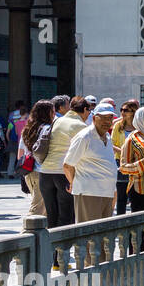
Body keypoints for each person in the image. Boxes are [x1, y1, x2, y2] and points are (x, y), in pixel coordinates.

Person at [63, 103, 121, 224]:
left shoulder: (108, 136)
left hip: (107, 192)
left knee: (103, 236)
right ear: (94, 118)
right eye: (103, 118)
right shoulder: (84, 137)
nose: (107, 121)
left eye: (110, 118)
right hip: (89, 192)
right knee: (89, 236)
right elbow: (68, 165)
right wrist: (74, 183)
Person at [38, 96, 89, 227]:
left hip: (45, 172)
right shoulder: (81, 126)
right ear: (84, 109)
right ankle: (63, 247)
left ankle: (50, 246)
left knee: (51, 215)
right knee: (66, 215)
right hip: (64, 174)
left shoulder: (58, 121)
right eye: (88, 111)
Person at [18, 100, 55, 219]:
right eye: (52, 111)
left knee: (41, 208)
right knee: (37, 209)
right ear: (47, 113)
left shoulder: (27, 129)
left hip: (28, 172)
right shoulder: (47, 129)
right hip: (41, 172)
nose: (54, 114)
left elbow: (20, 154)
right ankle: (25, 234)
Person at [111, 99, 140, 215]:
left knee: (134, 195)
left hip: (136, 162)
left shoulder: (139, 126)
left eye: (126, 110)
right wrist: (124, 152)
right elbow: (112, 144)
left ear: (133, 112)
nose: (122, 112)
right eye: (121, 110)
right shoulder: (118, 125)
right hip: (121, 162)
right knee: (121, 196)